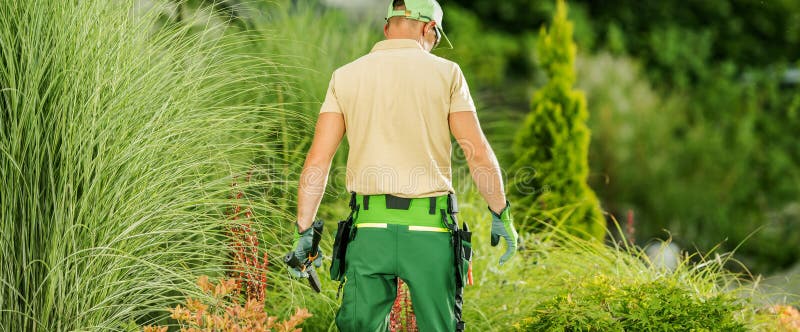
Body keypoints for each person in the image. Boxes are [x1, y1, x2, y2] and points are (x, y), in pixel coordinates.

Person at [288, 0, 518, 330]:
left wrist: (305, 230)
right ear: (429, 29)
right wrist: (501, 213)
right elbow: (477, 152)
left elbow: (317, 162)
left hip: (368, 232)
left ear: (387, 28)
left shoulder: (345, 76)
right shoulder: (447, 73)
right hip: (430, 231)